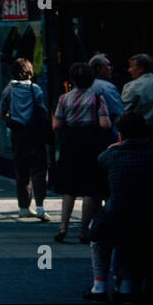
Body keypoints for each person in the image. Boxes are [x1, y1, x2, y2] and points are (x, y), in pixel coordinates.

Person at [84, 112, 153, 302]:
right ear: (144, 132)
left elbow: (99, 190)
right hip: (152, 218)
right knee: (131, 238)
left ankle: (99, 285)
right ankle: (126, 285)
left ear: (120, 134)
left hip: (116, 215)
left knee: (100, 232)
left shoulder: (107, 155)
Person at [51, 62, 111, 244]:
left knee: (69, 188)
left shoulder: (64, 99)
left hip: (70, 142)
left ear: (72, 79)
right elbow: (105, 124)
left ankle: (63, 226)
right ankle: (84, 231)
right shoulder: (96, 98)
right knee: (90, 190)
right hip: (91, 142)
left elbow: (57, 125)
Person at [0, 57, 51, 222]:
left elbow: (2, 112)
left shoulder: (8, 90)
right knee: (39, 170)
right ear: (29, 71)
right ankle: (41, 206)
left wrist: (11, 122)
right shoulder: (35, 89)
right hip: (34, 133)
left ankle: (23, 207)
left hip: (17, 134)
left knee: (21, 171)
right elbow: (42, 110)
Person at [87, 54, 125, 142]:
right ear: (98, 69)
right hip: (107, 139)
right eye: (108, 65)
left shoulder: (83, 87)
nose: (111, 68)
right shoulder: (106, 87)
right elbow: (118, 115)